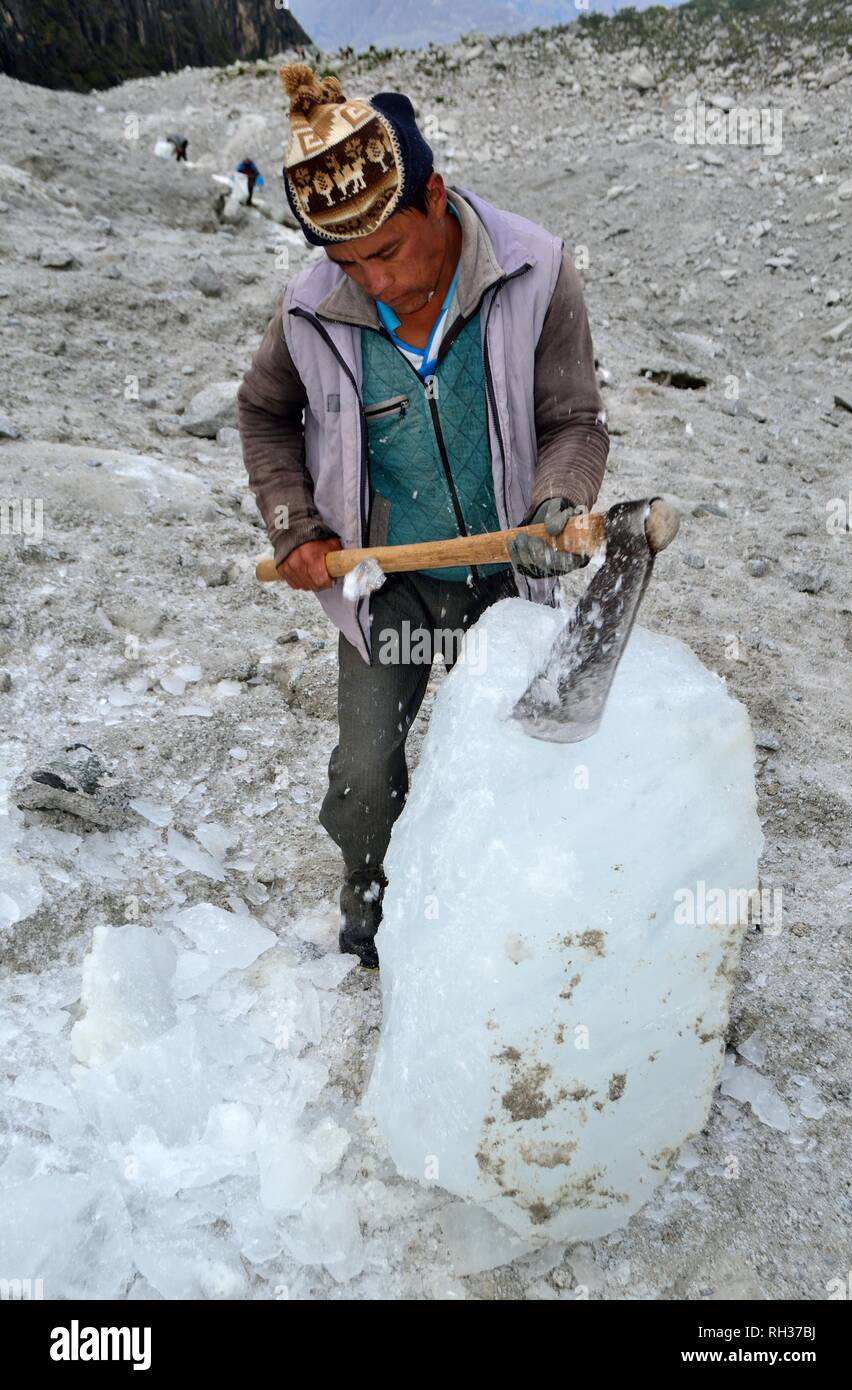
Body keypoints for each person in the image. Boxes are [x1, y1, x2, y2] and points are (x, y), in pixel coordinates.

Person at [238, 65, 609, 969]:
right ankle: (370, 920)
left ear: (434, 195)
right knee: (364, 778)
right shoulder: (308, 308)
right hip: (386, 582)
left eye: (390, 252)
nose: (374, 280)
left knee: (529, 762)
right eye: (347, 261)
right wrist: (296, 527)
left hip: (506, 573)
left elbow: (574, 420)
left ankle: (508, 931)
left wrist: (557, 505)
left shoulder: (535, 270)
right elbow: (261, 412)